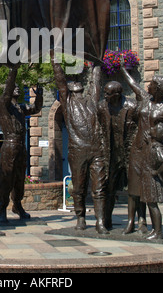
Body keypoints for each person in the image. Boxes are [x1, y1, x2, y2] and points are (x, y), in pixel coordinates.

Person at [51, 52, 108, 234]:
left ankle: (100, 221)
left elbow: (96, 80)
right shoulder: (67, 103)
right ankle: (80, 217)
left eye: (78, 82)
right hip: (77, 150)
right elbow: (59, 77)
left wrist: (97, 60)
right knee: (78, 187)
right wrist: (54, 56)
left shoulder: (91, 99)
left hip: (96, 150)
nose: (75, 81)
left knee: (99, 187)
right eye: (71, 82)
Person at [121, 65, 163, 239]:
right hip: (138, 149)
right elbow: (133, 84)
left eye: (152, 84)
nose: (148, 86)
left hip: (153, 151)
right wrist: (123, 69)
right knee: (134, 187)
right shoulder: (145, 99)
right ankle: (135, 222)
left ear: (159, 89)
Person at [0, 67, 43, 223]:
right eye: (13, 86)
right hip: (9, 146)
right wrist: (13, 69)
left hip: (21, 146)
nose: (17, 88)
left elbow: (36, 108)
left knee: (19, 180)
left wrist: (40, 96)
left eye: (18, 86)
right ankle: (2, 209)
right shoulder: (4, 106)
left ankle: (17, 205)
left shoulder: (20, 108)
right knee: (6, 179)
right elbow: (8, 89)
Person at [97, 81, 137, 230]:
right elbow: (99, 128)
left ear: (117, 94)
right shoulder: (102, 107)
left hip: (129, 153)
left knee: (135, 189)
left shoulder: (132, 107)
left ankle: (139, 222)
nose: (105, 96)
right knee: (109, 188)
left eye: (108, 93)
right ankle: (106, 220)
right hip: (111, 154)